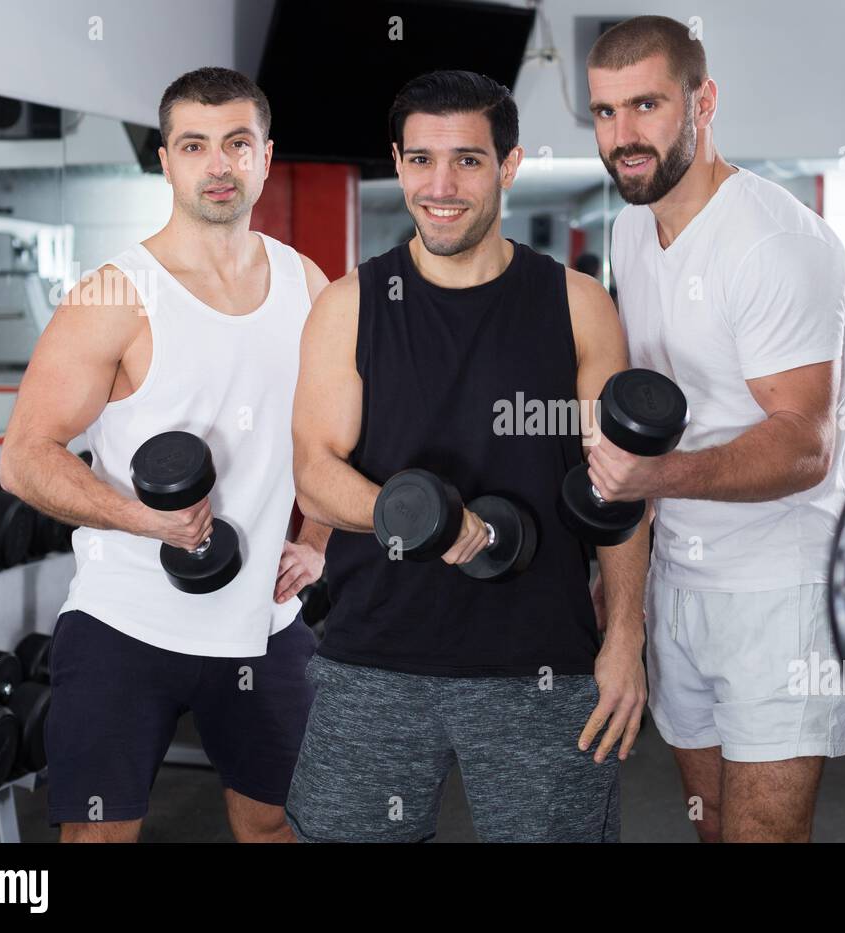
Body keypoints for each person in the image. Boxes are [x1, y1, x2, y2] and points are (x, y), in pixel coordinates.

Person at [285, 70, 646, 843]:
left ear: (508, 166)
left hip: (538, 662)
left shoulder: (577, 305)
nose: (440, 185)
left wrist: (625, 637)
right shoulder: (348, 305)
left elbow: (617, 488)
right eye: (420, 159)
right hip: (374, 657)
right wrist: (421, 523)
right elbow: (314, 475)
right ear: (397, 161)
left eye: (468, 160)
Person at [0, 67, 329, 842]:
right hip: (125, 621)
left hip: (265, 623)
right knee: (97, 839)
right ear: (166, 160)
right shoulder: (114, 298)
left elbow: (335, 439)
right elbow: (25, 456)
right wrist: (144, 519)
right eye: (195, 145)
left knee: (279, 827)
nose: (219, 165)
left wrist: (316, 541)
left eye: (237, 143)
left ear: (266, 156)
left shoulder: (306, 284)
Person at [586, 16, 845, 842]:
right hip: (682, 577)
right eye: (604, 113)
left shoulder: (774, 243)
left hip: (781, 587)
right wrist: (628, 579)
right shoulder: (629, 228)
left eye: (646, 106)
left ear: (703, 101)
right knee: (712, 830)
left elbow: (804, 444)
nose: (623, 136)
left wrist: (653, 481)